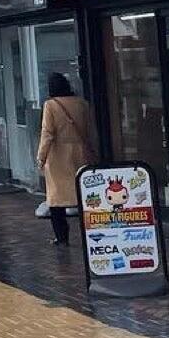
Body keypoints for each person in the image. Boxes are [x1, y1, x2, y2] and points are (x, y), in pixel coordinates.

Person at [36, 72, 97, 247]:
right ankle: (92, 232)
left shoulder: (51, 105)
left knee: (56, 200)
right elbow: (90, 129)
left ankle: (62, 237)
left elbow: (47, 133)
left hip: (58, 156)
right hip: (81, 152)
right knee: (85, 194)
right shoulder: (82, 103)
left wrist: (41, 156)